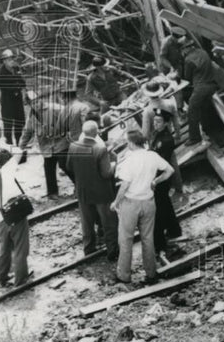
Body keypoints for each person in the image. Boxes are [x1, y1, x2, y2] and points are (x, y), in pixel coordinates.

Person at [111, 129, 174, 285]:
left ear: (131, 143)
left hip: (130, 203)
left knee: (126, 239)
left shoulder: (129, 160)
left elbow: (124, 185)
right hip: (148, 201)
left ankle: (124, 275)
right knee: (148, 238)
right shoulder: (152, 156)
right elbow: (169, 170)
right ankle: (151, 273)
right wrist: (155, 181)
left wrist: (116, 202)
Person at [0, 146, 32, 288]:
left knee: (4, 248)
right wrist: (4, 145)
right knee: (21, 247)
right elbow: (19, 151)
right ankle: (21, 279)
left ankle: (0, 278)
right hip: (14, 213)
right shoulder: (6, 171)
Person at [65, 120, 119, 260]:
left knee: (87, 223)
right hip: (102, 193)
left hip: (83, 191)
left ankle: (89, 250)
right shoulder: (100, 149)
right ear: (96, 133)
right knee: (108, 223)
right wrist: (114, 163)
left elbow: (69, 167)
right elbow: (106, 173)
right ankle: (112, 251)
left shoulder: (73, 146)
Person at [19, 95, 69, 199]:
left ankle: (79, 185)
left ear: (41, 100)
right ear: (30, 105)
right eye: (33, 103)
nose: (37, 104)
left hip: (60, 142)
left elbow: (69, 116)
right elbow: (27, 131)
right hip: (46, 146)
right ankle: (52, 193)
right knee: (48, 168)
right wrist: (21, 145)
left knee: (65, 165)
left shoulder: (54, 108)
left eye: (37, 101)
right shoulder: (31, 117)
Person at [149, 111, 182, 254]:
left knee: (160, 206)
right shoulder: (157, 134)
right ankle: (174, 229)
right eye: (155, 121)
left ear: (166, 123)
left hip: (162, 176)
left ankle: (165, 234)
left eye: (159, 122)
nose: (155, 124)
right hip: (158, 174)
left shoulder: (167, 139)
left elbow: (162, 161)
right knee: (165, 203)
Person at [0, 50, 29, 145]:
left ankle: (19, 144)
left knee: (20, 123)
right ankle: (9, 146)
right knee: (8, 125)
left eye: (12, 59)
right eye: (9, 59)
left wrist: (24, 94)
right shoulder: (1, 73)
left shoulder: (16, 68)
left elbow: (22, 82)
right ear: (4, 61)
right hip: (7, 101)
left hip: (18, 99)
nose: (12, 61)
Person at [182, 42, 217, 146]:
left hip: (201, 88)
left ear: (185, 49)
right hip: (212, 85)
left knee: (192, 110)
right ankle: (210, 129)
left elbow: (187, 77)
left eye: (182, 50)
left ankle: (194, 138)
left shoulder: (188, 59)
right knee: (204, 107)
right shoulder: (203, 52)